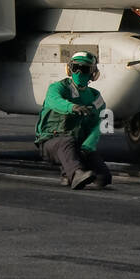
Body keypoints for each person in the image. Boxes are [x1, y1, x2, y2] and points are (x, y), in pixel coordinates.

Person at [35, 51, 112, 190]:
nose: (79, 72)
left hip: (78, 144)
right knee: (66, 142)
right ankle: (76, 174)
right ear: (69, 69)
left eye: (84, 69)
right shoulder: (58, 88)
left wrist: (87, 148)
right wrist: (72, 107)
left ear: (93, 73)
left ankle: (68, 171)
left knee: (104, 178)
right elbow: (54, 101)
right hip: (51, 140)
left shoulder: (95, 98)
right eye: (75, 67)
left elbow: (97, 126)